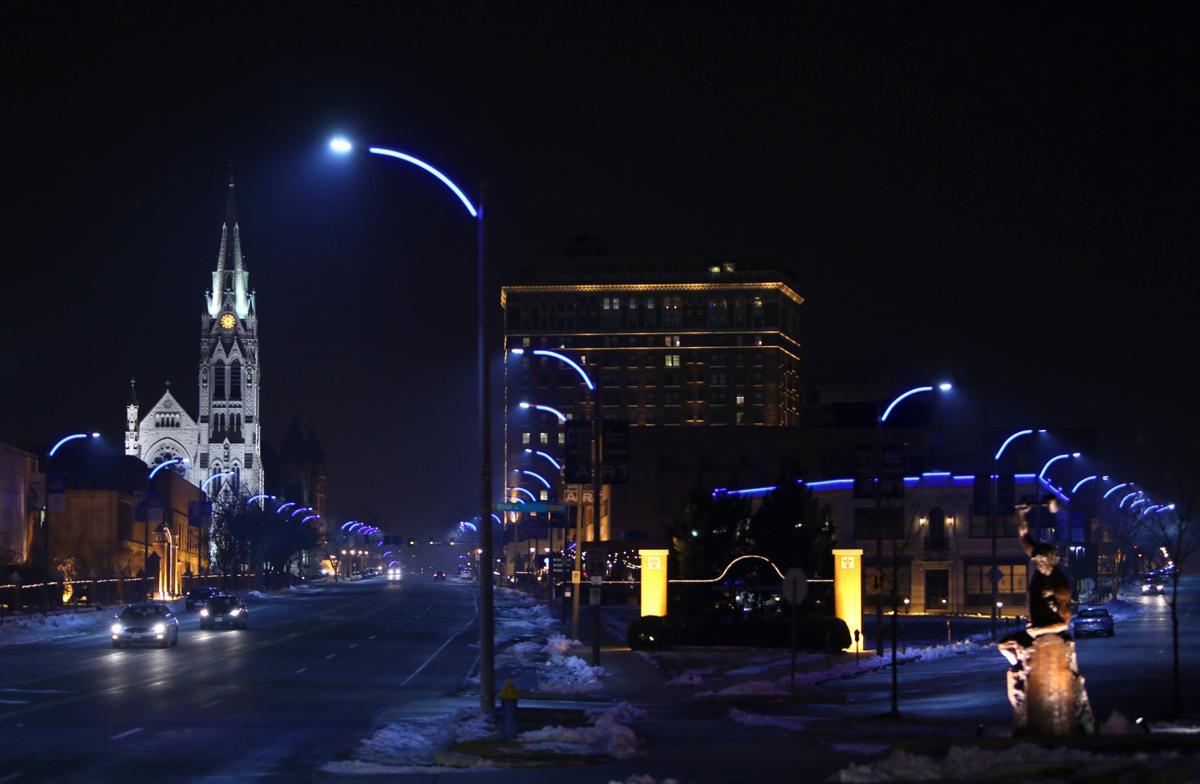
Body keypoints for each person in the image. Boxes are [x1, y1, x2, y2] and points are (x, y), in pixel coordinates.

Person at [997, 500, 1095, 734]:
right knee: (1004, 646)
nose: (1037, 564)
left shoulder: (1059, 586)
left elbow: (1064, 622)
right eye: (1036, 560)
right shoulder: (1038, 559)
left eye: (1041, 561)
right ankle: (1022, 667)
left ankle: (1075, 719)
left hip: (1052, 634)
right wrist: (1021, 515)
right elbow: (1023, 537)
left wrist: (1039, 631)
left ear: (1050, 561)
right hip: (1035, 631)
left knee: (1059, 667)